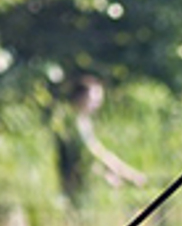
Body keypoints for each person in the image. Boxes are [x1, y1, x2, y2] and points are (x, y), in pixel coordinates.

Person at [54, 74, 147, 205]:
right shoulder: (74, 122)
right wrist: (129, 174)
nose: (98, 102)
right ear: (80, 97)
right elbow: (95, 153)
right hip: (74, 186)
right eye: (94, 97)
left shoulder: (81, 121)